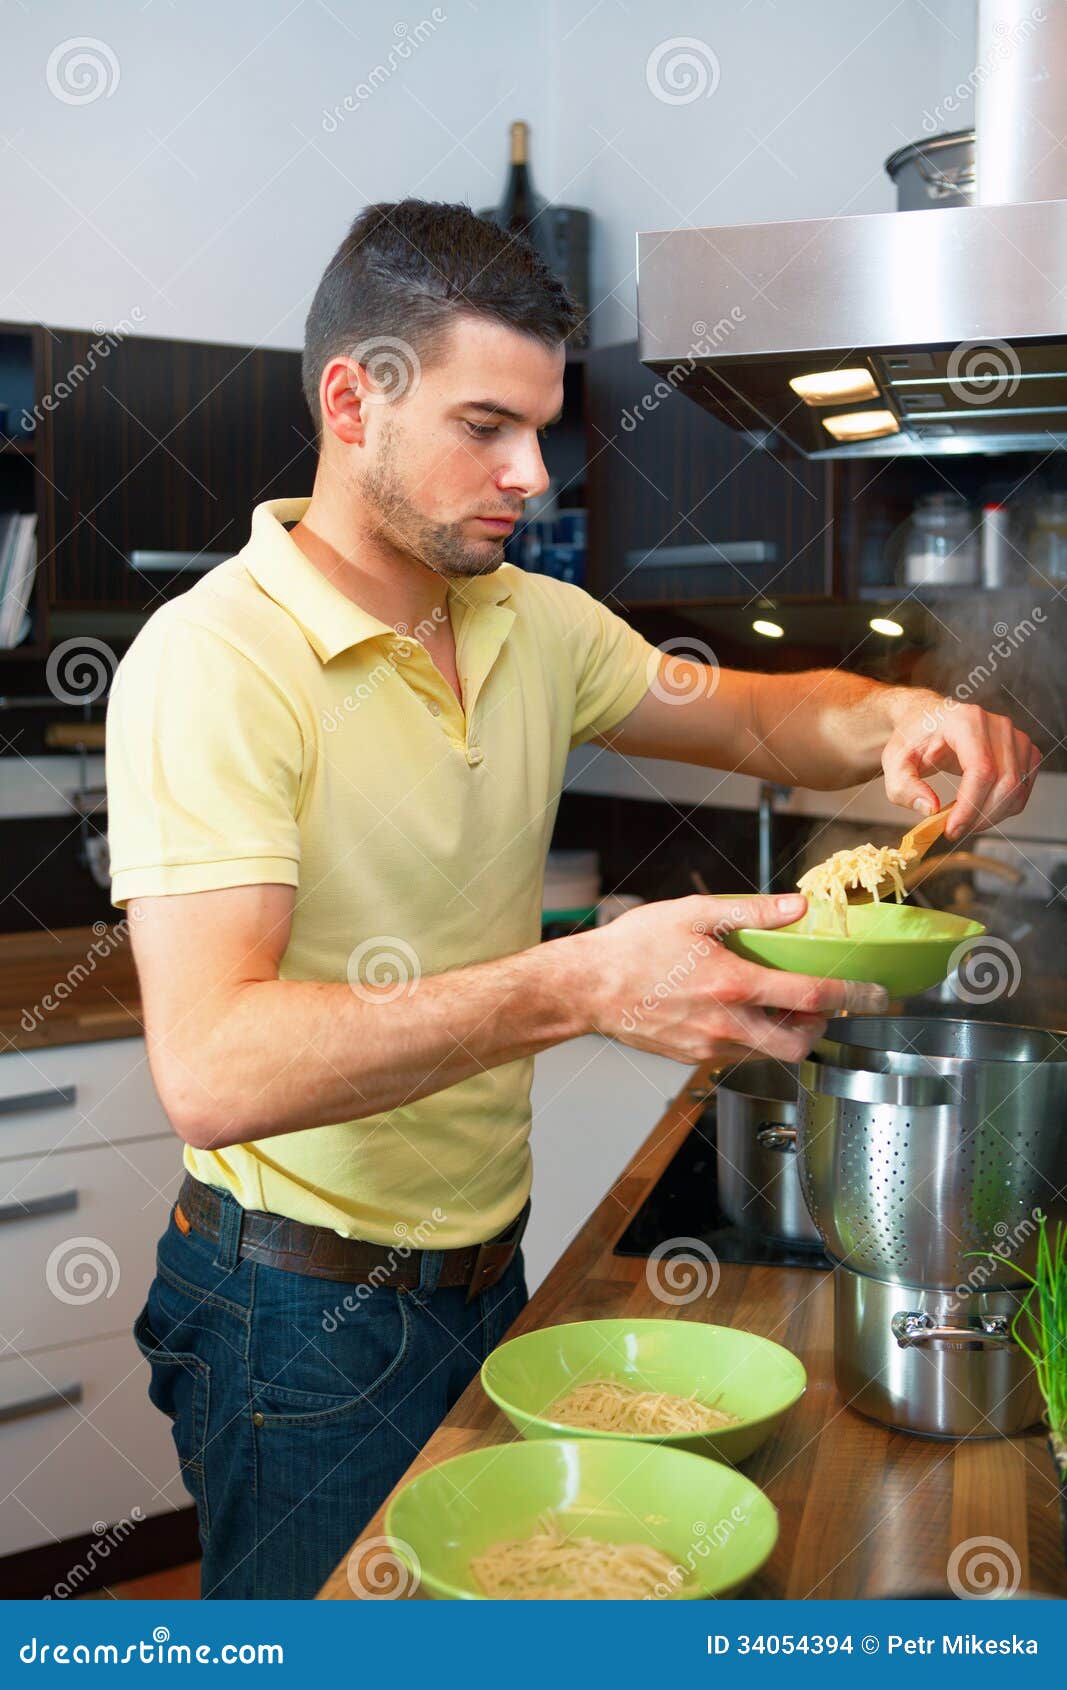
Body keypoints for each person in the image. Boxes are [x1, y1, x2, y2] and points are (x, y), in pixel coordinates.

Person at [105, 199, 1040, 1599]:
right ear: (353, 400)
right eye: (486, 425)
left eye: (542, 427)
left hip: (483, 1268)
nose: (531, 472)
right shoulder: (215, 661)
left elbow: (762, 720)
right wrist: (589, 980)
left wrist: (909, 713)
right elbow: (217, 1068)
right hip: (293, 1312)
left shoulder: (526, 622)